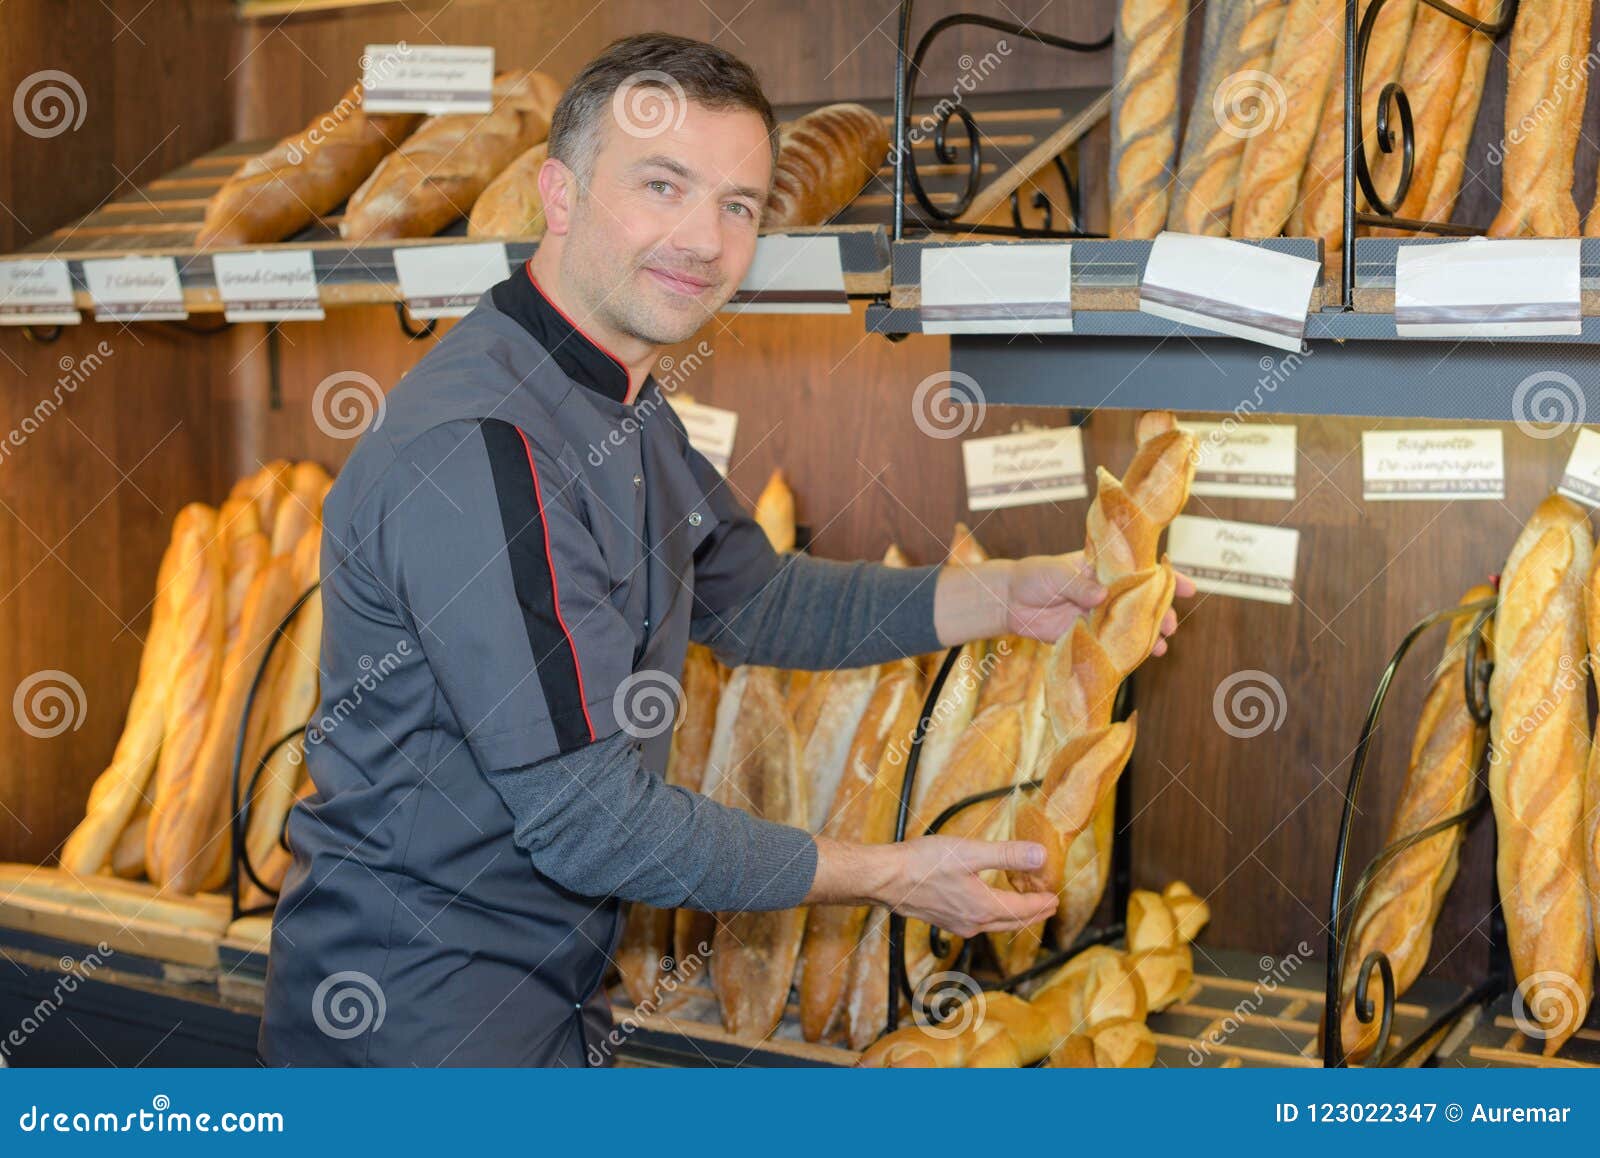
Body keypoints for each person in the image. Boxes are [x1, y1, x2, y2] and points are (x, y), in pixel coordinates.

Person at [257, 31, 1190, 1067]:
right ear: (558, 197)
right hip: (411, 1035)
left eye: (737, 206)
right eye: (663, 186)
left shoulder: (610, 399)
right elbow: (588, 823)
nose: (703, 239)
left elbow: (754, 601)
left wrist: (1010, 595)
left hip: (544, 1011)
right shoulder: (484, 449)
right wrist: (888, 873)